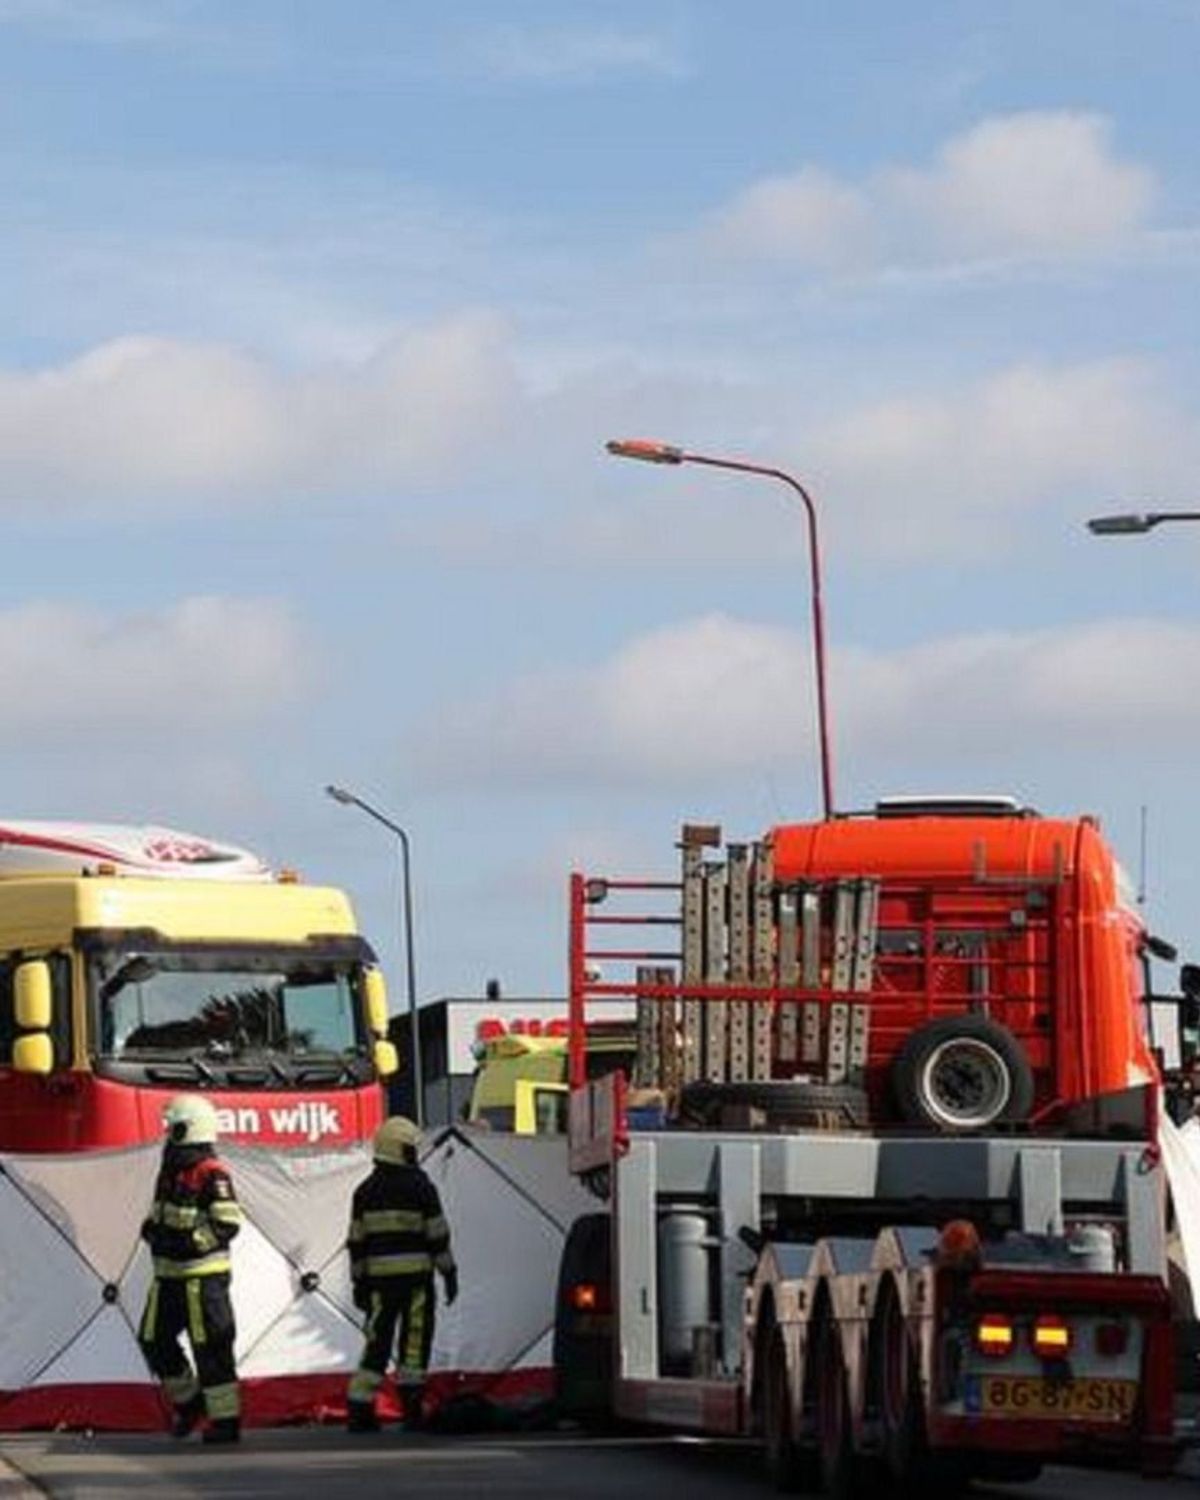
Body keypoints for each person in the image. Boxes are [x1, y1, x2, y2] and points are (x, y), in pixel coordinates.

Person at [137, 1093, 243, 1444]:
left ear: (190, 1129)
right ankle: (190, 1402)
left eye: (174, 1127)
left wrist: (189, 1243)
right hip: (168, 1275)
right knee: (153, 1340)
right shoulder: (170, 1169)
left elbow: (227, 1223)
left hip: (202, 1277)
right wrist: (152, 1230)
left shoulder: (212, 1173)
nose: (169, 1133)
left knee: (211, 1346)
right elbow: (160, 1213)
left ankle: (225, 1421)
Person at [345, 1115, 458, 1432]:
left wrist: (359, 1284)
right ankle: (411, 1409)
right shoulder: (421, 1187)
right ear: (399, 1150)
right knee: (414, 1342)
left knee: (376, 1342)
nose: (414, 1155)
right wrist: (449, 1272)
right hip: (417, 1283)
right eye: (410, 1149)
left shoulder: (364, 1191)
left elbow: (356, 1242)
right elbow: (437, 1234)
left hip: (380, 1285)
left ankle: (359, 1408)